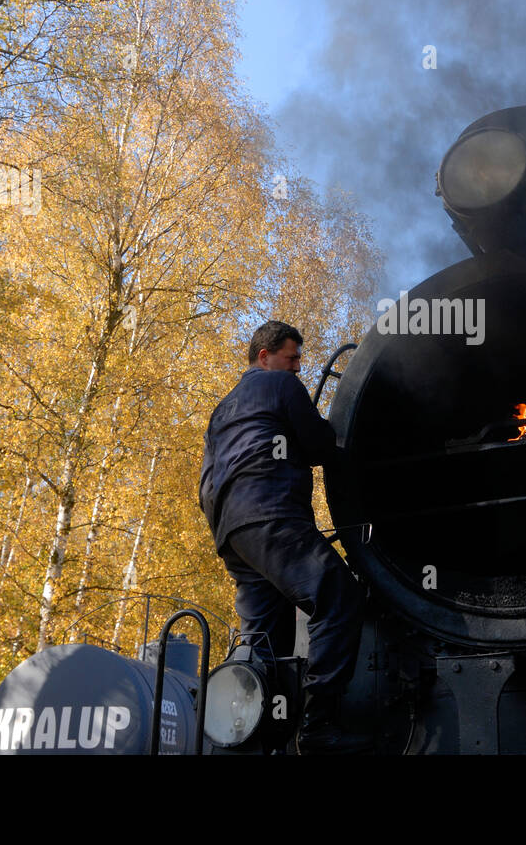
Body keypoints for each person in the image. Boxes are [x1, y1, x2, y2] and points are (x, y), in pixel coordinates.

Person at [198, 321, 369, 754]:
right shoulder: (281, 386)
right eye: (292, 358)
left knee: (264, 644)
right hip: (271, 516)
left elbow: (205, 484)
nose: (297, 368)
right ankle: (318, 725)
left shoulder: (221, 410)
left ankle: (262, 740)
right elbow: (320, 444)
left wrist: (228, 527)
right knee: (339, 596)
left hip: (233, 534)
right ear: (265, 356)